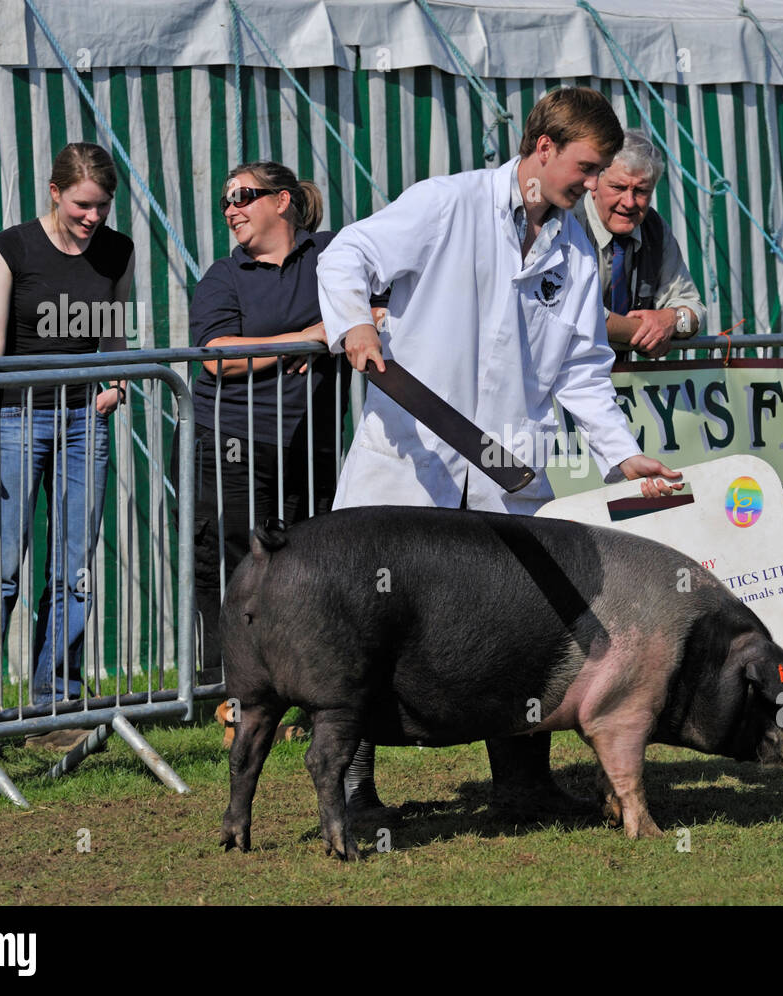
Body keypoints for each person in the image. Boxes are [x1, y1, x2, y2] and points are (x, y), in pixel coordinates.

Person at [316, 86, 681, 815]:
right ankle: (353, 789)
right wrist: (353, 323)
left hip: (506, 471)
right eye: (586, 167)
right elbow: (348, 252)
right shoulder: (446, 204)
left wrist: (621, 455)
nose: (591, 184)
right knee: (366, 620)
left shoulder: (575, 247)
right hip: (410, 458)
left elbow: (581, 370)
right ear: (542, 148)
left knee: (522, 620)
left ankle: (521, 784)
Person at [0, 142, 133, 746]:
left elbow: (113, 340)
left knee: (74, 568)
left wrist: (116, 384)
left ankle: (55, 707)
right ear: (54, 193)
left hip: (86, 420)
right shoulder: (11, 249)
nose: (94, 217)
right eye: (83, 205)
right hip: (15, 418)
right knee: (1, 568)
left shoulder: (117, 251)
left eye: (103, 205)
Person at [184, 161, 360, 695]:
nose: (231, 209)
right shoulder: (224, 275)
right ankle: (231, 691)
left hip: (311, 444)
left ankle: (303, 685)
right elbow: (216, 357)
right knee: (233, 566)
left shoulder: (334, 254)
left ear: (282, 201)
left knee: (305, 567)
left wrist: (341, 324)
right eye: (225, 202)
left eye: (242, 196)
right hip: (229, 440)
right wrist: (305, 338)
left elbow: (378, 309)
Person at [571, 128, 704, 358]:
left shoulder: (655, 229)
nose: (629, 202)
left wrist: (672, 321)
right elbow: (577, 314)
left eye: (641, 190)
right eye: (618, 188)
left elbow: (696, 311)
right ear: (593, 184)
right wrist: (648, 331)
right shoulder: (567, 223)